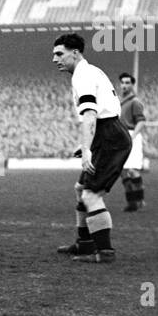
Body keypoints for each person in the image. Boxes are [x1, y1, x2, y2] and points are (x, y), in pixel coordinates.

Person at [51, 34, 132, 264]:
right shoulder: (89, 72)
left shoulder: (83, 76)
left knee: (91, 194)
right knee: (80, 188)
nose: (55, 59)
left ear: (75, 52)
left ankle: (105, 252)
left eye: (59, 54)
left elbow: (90, 115)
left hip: (110, 137)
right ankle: (85, 244)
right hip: (107, 134)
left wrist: (87, 149)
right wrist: (87, 144)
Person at [117, 72, 148, 212]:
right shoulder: (118, 101)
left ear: (132, 85)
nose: (124, 85)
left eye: (127, 83)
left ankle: (140, 199)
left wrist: (133, 136)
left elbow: (141, 121)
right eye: (122, 82)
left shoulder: (135, 102)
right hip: (120, 137)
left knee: (132, 170)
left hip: (131, 136)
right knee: (122, 171)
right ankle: (131, 202)